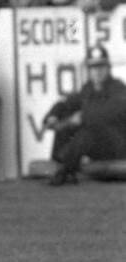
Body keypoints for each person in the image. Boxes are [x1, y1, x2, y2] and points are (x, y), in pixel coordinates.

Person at [43, 45, 126, 186]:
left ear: (108, 68)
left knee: (86, 132)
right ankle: (59, 164)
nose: (97, 72)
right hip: (97, 146)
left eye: (101, 67)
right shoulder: (88, 89)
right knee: (66, 121)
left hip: (116, 145)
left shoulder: (118, 89)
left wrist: (73, 120)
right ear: (89, 70)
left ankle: (64, 171)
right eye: (94, 68)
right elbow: (66, 103)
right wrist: (53, 116)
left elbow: (101, 115)